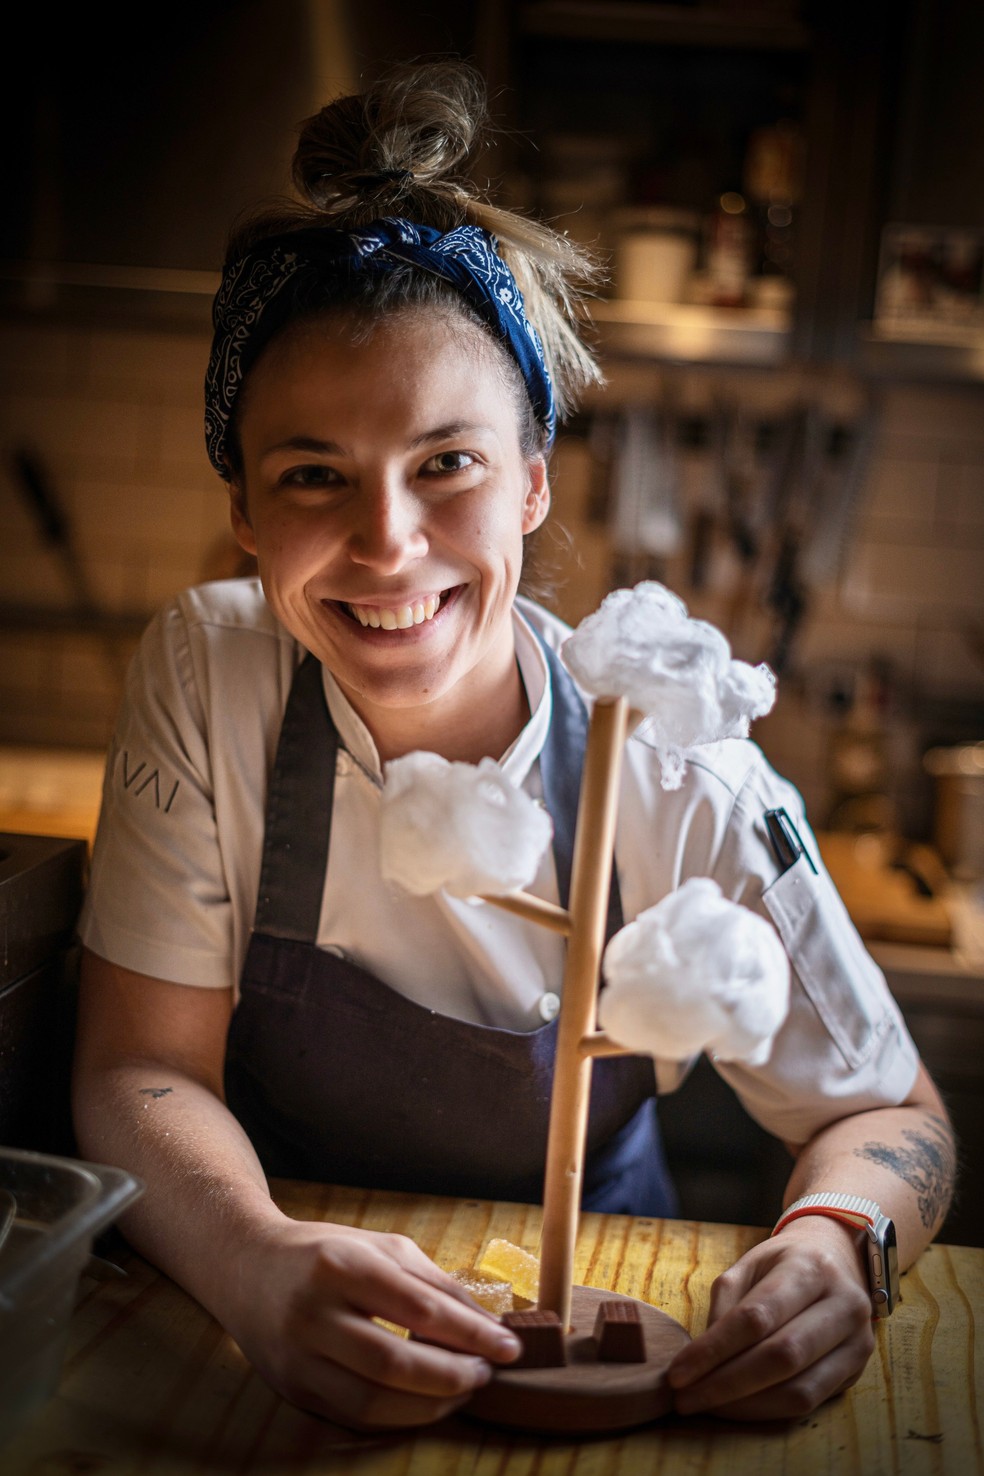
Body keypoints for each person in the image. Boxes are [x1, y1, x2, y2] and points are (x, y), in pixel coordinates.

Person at [72, 59, 956, 1433]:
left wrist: (844, 1241)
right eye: (313, 474)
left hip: (607, 1322)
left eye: (447, 463)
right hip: (289, 1312)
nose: (386, 543)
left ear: (535, 480)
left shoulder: (669, 755)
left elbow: (894, 1112)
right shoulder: (213, 670)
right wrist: (251, 1258)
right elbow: (141, 1067)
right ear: (242, 510)